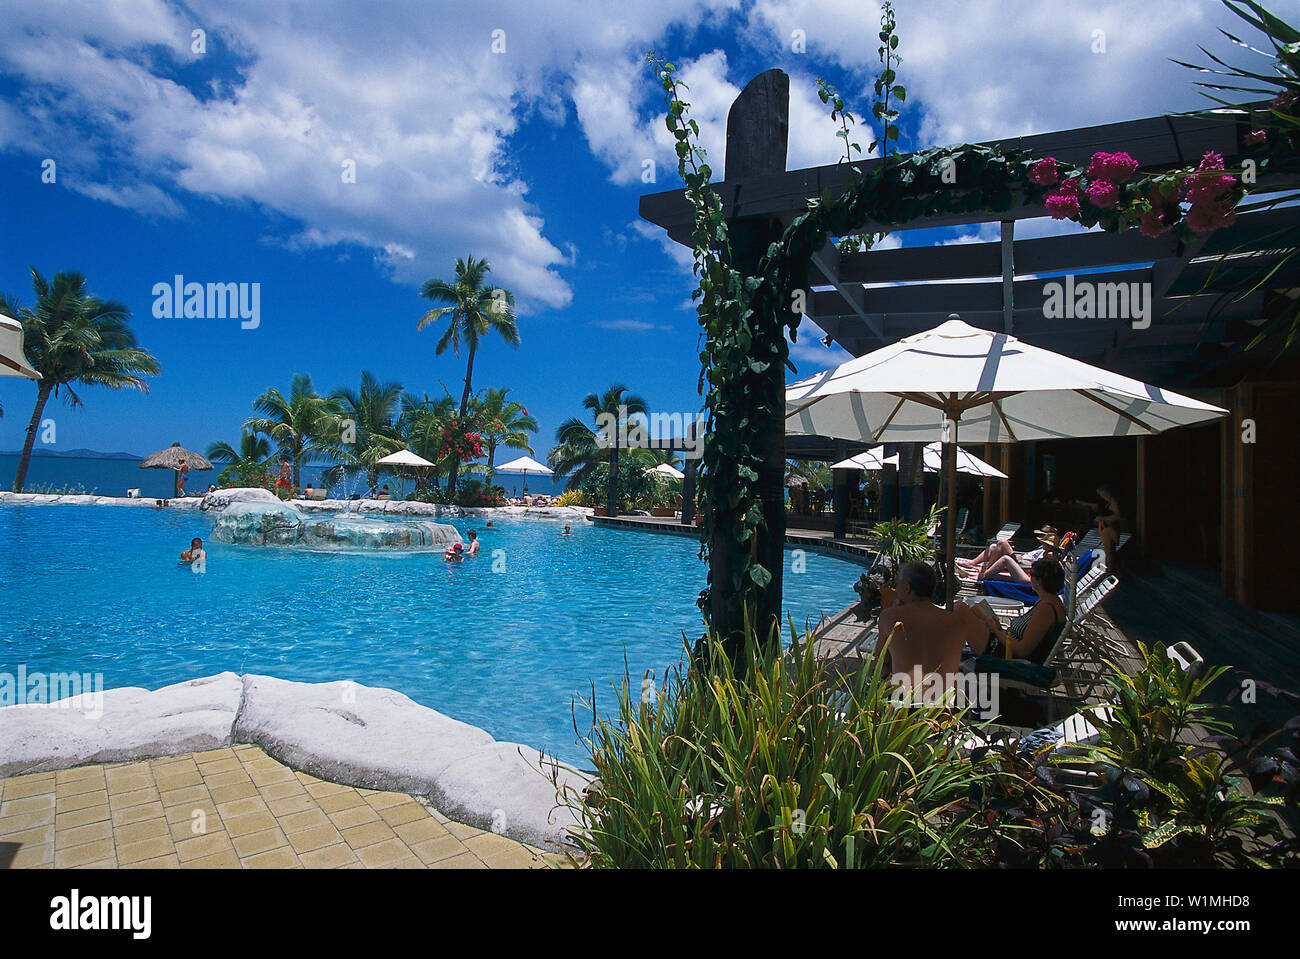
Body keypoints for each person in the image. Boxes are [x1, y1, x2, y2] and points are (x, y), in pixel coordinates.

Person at [875, 562, 981, 681]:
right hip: (945, 695)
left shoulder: (890, 617)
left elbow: (881, 661)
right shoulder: (954, 620)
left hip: (906, 695)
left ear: (907, 588)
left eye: (897, 584)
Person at [963, 558, 1067, 663]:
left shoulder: (1046, 609)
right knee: (964, 609)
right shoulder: (1048, 601)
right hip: (1004, 643)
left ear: (1039, 581)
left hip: (1007, 655)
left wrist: (995, 630)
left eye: (1031, 574)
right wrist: (997, 628)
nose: (1030, 577)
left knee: (961, 611)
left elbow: (1022, 651)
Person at [1096, 484, 1123, 571]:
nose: (1102, 496)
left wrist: (1103, 518)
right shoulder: (1108, 503)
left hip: (1111, 529)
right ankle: (1110, 570)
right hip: (1105, 529)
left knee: (1110, 552)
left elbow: (1118, 516)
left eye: (1102, 494)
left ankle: (1111, 571)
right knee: (1108, 552)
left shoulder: (1114, 503)